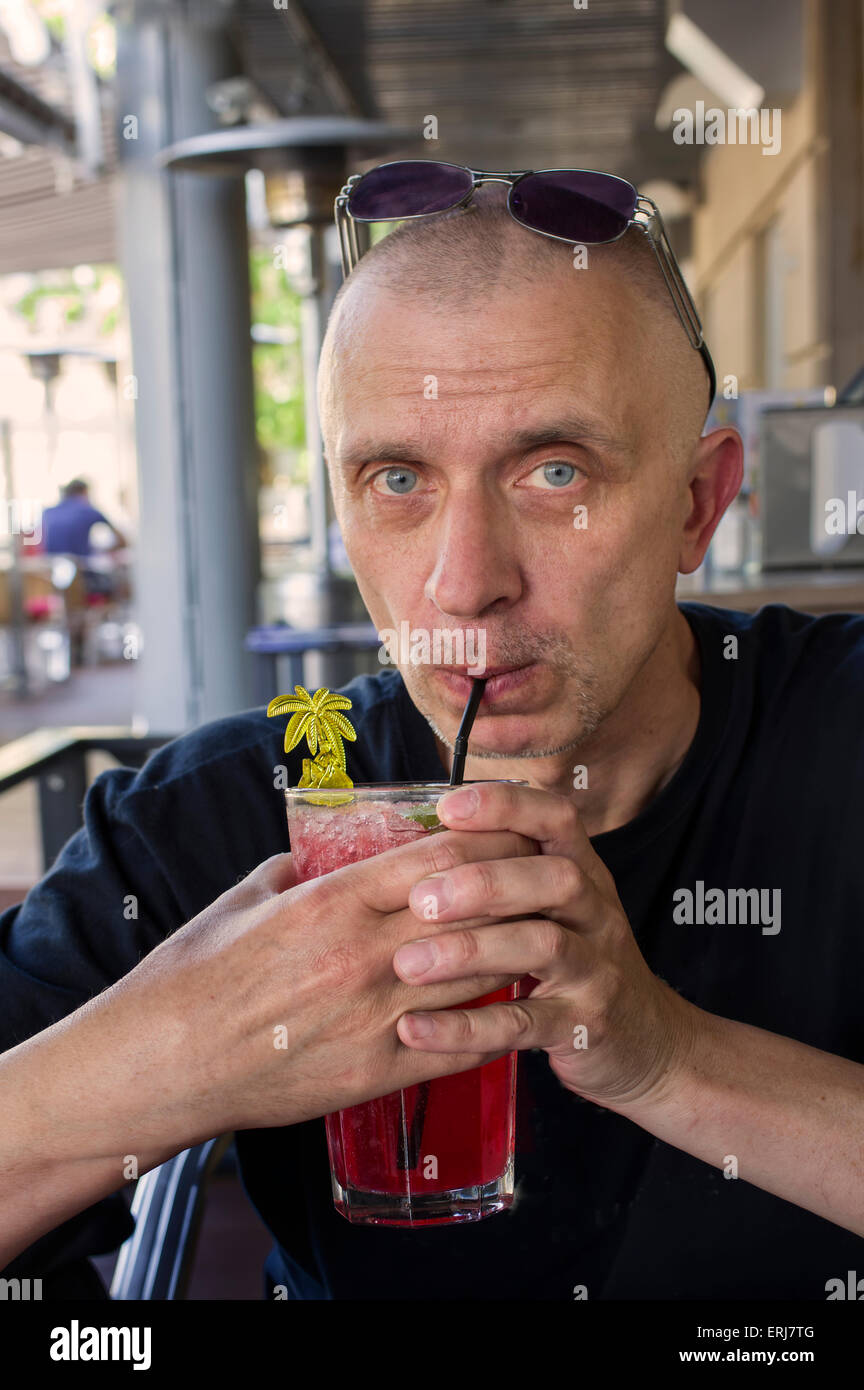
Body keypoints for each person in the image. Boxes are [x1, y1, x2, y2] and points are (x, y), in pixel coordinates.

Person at [2, 181, 864, 1302]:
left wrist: (668, 1056)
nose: (465, 585)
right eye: (397, 479)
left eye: (556, 473)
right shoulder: (210, 818)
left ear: (698, 504)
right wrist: (172, 1053)